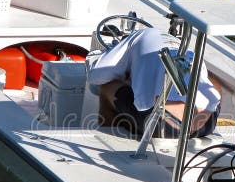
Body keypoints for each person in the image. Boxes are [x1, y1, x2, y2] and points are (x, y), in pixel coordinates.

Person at [87, 27, 221, 138]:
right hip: (208, 122)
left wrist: (125, 78)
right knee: (205, 78)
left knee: (107, 88)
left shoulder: (141, 35)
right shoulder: (185, 46)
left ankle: (108, 136)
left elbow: (97, 75)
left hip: (166, 125)